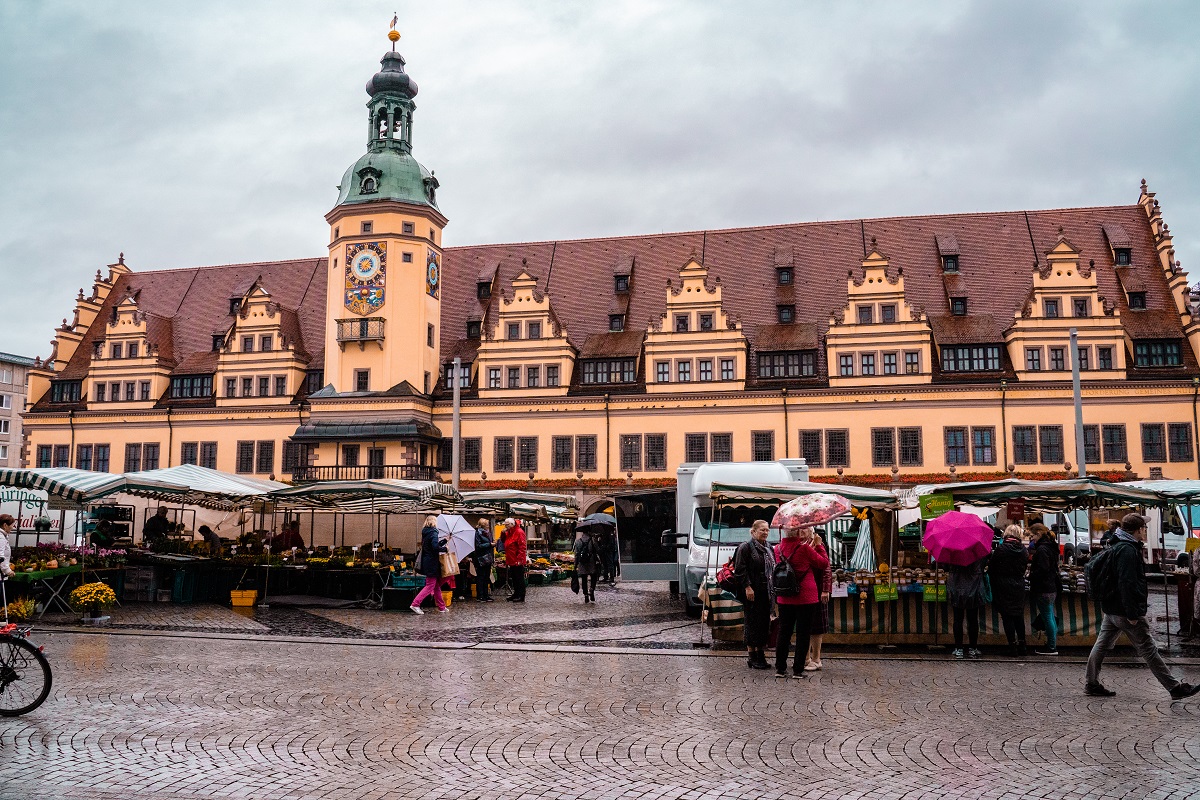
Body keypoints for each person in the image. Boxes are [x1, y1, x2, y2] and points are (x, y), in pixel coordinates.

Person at [1086, 513, 1200, 700]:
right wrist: (1132, 612)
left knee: (1101, 644)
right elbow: (1127, 583)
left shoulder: (1117, 544)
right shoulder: (1128, 550)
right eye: (1144, 528)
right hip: (1124, 611)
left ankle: (1091, 683)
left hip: (1112, 608)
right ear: (1138, 530)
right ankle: (1174, 687)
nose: (1145, 531)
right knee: (1148, 648)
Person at [772, 525, 830, 679]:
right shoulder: (804, 549)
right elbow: (823, 563)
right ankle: (798, 670)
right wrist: (818, 545)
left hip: (785, 597)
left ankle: (780, 668)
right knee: (803, 633)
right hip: (805, 596)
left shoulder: (777, 549)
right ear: (797, 532)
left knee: (784, 632)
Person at [733, 520, 774, 670]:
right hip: (751, 591)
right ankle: (752, 656)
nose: (765, 532)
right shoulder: (746, 547)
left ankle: (760, 654)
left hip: (766, 592)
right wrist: (747, 587)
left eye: (767, 530)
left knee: (763, 623)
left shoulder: (768, 547)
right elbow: (740, 570)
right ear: (754, 531)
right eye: (762, 530)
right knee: (752, 623)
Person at [990, 524, 1030, 657]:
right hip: (1018, 585)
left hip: (1003, 585)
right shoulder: (1024, 550)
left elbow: (992, 568)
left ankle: (1012, 646)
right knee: (1018, 616)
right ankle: (1023, 645)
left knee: (1007, 617)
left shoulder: (1001, 550)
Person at [947, 552, 987, 659]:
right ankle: (972, 648)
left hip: (957, 588)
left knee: (958, 619)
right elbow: (983, 566)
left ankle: (959, 648)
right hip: (973, 589)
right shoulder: (978, 553)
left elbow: (947, 566)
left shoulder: (953, 552)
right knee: (973, 619)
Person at [1028, 523, 1060, 656]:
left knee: (1048, 616)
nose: (1031, 539)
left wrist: (1031, 575)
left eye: (1032, 535)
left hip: (1044, 587)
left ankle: (1051, 647)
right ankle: (1051, 644)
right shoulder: (1051, 547)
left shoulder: (1042, 550)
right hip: (1051, 586)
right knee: (1050, 616)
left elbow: (1043, 569)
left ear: (1039, 533)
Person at [410, 515, 448, 614]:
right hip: (432, 562)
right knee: (430, 585)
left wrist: (445, 540)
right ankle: (415, 604)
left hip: (427, 561)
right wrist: (445, 549)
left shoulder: (426, 532)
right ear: (434, 522)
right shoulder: (434, 532)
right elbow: (435, 547)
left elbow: (432, 546)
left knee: (436, 586)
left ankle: (442, 607)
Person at [806, 529, 832, 672]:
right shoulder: (802, 545)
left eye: (808, 531)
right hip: (804, 590)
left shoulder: (820, 544)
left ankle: (816, 658)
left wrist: (825, 589)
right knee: (805, 626)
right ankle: (805, 659)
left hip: (817, 588)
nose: (804, 533)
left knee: (817, 627)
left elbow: (826, 567)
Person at [573, 526, 602, 603]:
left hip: (582, 562)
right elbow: (598, 550)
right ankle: (592, 589)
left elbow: (576, 554)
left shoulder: (578, 541)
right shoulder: (592, 540)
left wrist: (575, 564)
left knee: (584, 578)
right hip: (591, 561)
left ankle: (585, 594)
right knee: (593, 576)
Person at [503, 518, 528, 602]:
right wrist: (502, 534)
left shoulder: (519, 532)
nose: (505, 526)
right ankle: (516, 593)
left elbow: (522, 547)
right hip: (511, 558)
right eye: (505, 524)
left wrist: (520, 559)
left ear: (512, 524)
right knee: (514, 577)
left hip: (517, 559)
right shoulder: (510, 532)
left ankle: (521, 595)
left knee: (519, 578)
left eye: (507, 524)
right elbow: (504, 541)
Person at [472, 521, 495, 602]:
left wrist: (493, 543)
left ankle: (486, 595)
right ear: (483, 525)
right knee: (481, 577)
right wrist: (489, 544)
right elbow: (478, 546)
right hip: (481, 558)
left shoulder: (488, 533)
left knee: (486, 577)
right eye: (487, 524)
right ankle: (480, 596)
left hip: (488, 557)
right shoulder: (478, 533)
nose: (488, 526)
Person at [0, 514, 15, 579]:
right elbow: (0, 557)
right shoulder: (1, 537)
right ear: (5, 525)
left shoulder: (3, 536)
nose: (12, 527)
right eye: (12, 525)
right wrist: (8, 571)